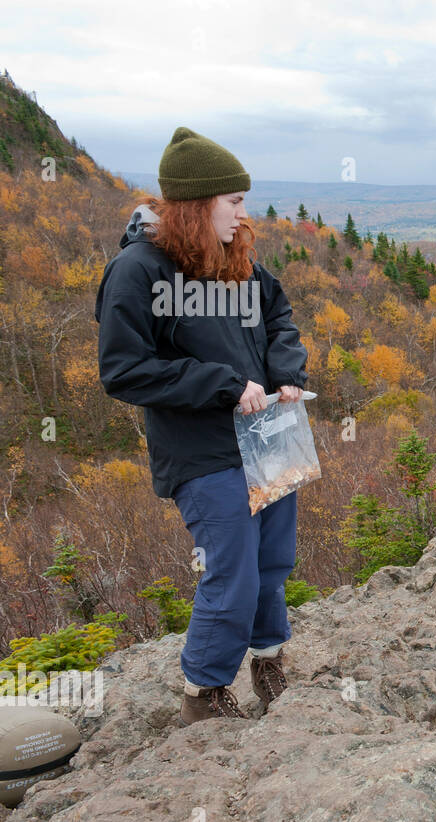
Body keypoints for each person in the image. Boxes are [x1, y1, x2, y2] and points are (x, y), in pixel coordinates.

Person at [96, 127, 308, 726]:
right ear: (197, 204)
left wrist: (286, 370)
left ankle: (267, 658)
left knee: (273, 561)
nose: (245, 213)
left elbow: (278, 317)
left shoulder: (237, 261)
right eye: (234, 201)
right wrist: (222, 385)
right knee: (232, 572)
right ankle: (204, 694)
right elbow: (124, 370)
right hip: (203, 451)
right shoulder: (137, 272)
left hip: (268, 438)